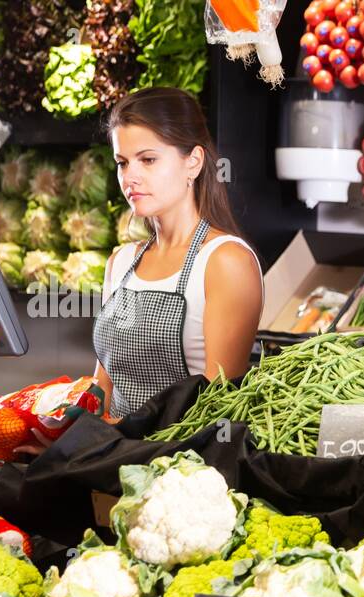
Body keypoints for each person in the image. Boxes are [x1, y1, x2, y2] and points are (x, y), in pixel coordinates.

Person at [93, 87, 263, 420]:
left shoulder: (226, 262)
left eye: (148, 159)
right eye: (122, 163)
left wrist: (117, 433)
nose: (130, 177)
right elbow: (103, 389)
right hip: (108, 459)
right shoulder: (120, 262)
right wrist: (60, 429)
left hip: (182, 464)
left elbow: (217, 410)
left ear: (193, 162)